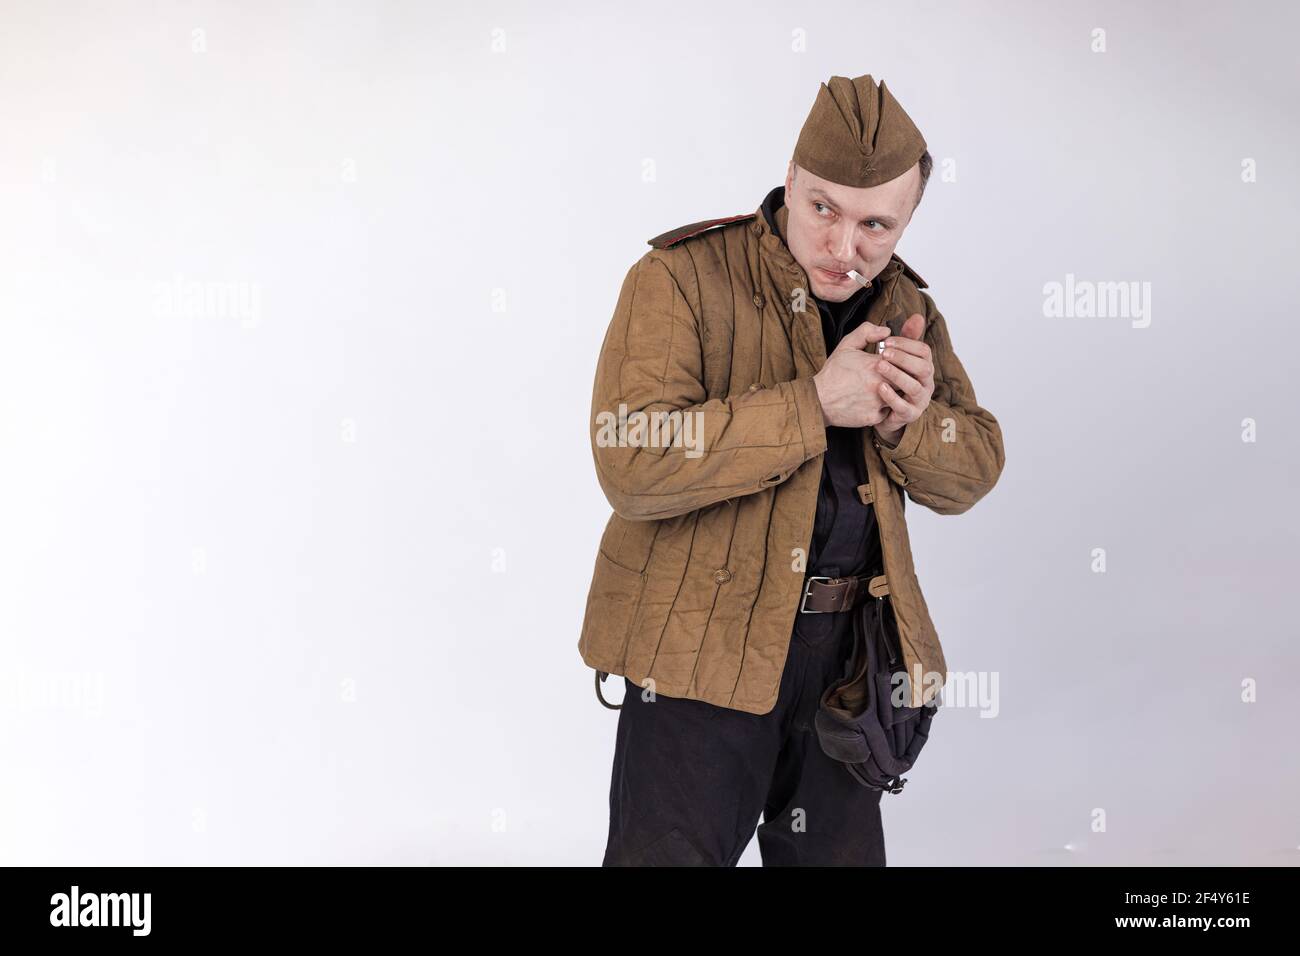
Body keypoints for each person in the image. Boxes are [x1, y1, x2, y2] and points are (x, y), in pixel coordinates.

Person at [578, 73, 1006, 866]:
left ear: (908, 217)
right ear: (792, 179)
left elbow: (975, 468)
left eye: (877, 224)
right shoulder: (679, 278)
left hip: (848, 673)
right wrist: (812, 404)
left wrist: (915, 425)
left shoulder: (905, 305)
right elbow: (629, 458)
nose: (845, 248)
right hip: (696, 661)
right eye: (824, 210)